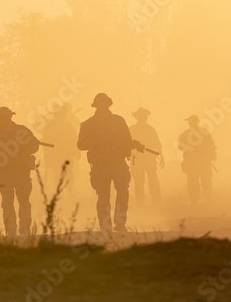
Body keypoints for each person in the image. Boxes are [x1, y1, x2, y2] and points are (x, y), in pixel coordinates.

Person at [78, 93, 141, 234]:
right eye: (100, 104)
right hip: (100, 165)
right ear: (96, 106)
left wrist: (133, 145)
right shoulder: (88, 124)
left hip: (118, 163)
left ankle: (120, 224)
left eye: (104, 103)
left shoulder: (119, 121)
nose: (102, 106)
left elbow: (127, 140)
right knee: (103, 196)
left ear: (108, 104)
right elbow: (81, 145)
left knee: (123, 193)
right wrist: (99, 140)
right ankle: (105, 226)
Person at [0, 106, 40, 238]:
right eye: (2, 118)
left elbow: (34, 147)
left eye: (5, 117)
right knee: (8, 202)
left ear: (10, 117)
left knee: (23, 201)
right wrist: (0, 147)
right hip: (6, 173)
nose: (4, 120)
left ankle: (25, 230)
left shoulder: (22, 131)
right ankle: (11, 232)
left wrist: (23, 145)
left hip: (21, 172)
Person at [41, 104, 80, 193]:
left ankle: (69, 191)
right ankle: (61, 192)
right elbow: (46, 142)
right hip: (57, 154)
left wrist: (76, 151)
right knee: (59, 173)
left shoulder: (64, 125)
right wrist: (47, 157)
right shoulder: (52, 126)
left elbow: (73, 139)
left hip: (65, 154)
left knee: (68, 172)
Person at [178, 115, 216, 204]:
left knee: (194, 182)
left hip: (193, 164)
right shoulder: (204, 132)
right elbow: (212, 146)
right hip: (202, 163)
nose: (189, 124)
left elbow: (180, 147)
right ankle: (206, 200)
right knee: (205, 182)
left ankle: (195, 201)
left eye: (190, 122)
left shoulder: (186, 134)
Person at [129, 108, 163, 206]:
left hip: (149, 158)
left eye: (145, 116)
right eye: (143, 116)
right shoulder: (132, 129)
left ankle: (156, 201)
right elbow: (126, 143)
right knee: (139, 182)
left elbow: (157, 144)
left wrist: (162, 157)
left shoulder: (150, 129)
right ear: (138, 117)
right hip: (137, 159)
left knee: (152, 180)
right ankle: (141, 203)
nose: (145, 118)